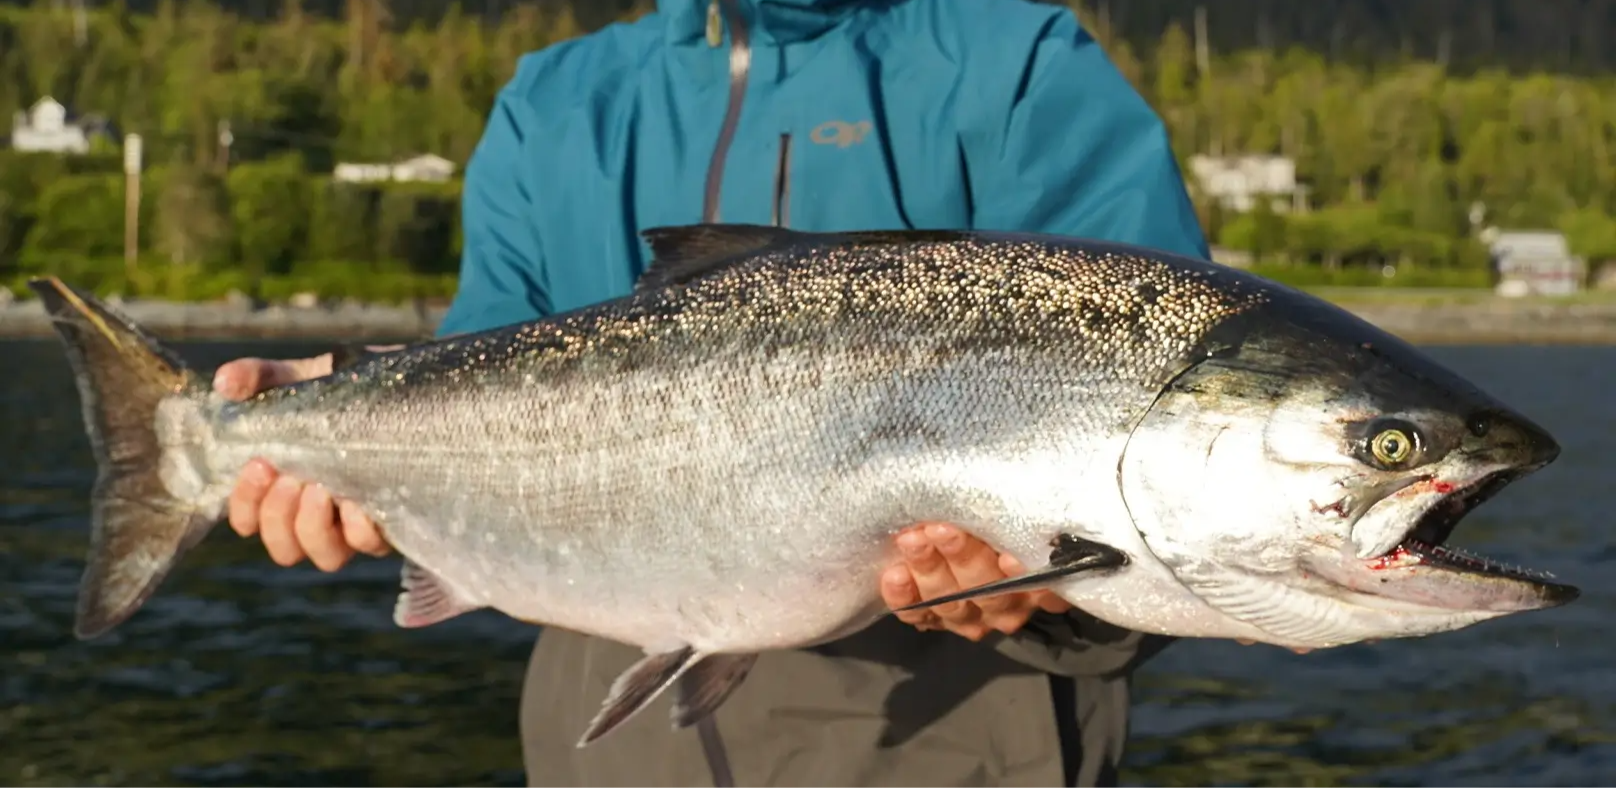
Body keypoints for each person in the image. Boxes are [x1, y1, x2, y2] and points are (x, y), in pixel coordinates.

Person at [213, 1, 1217, 785]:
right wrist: (339, 405)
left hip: (956, 749)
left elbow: (1177, 474)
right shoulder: (551, 100)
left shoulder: (1022, 69)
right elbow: (479, 374)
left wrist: (1046, 600)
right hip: (608, 753)